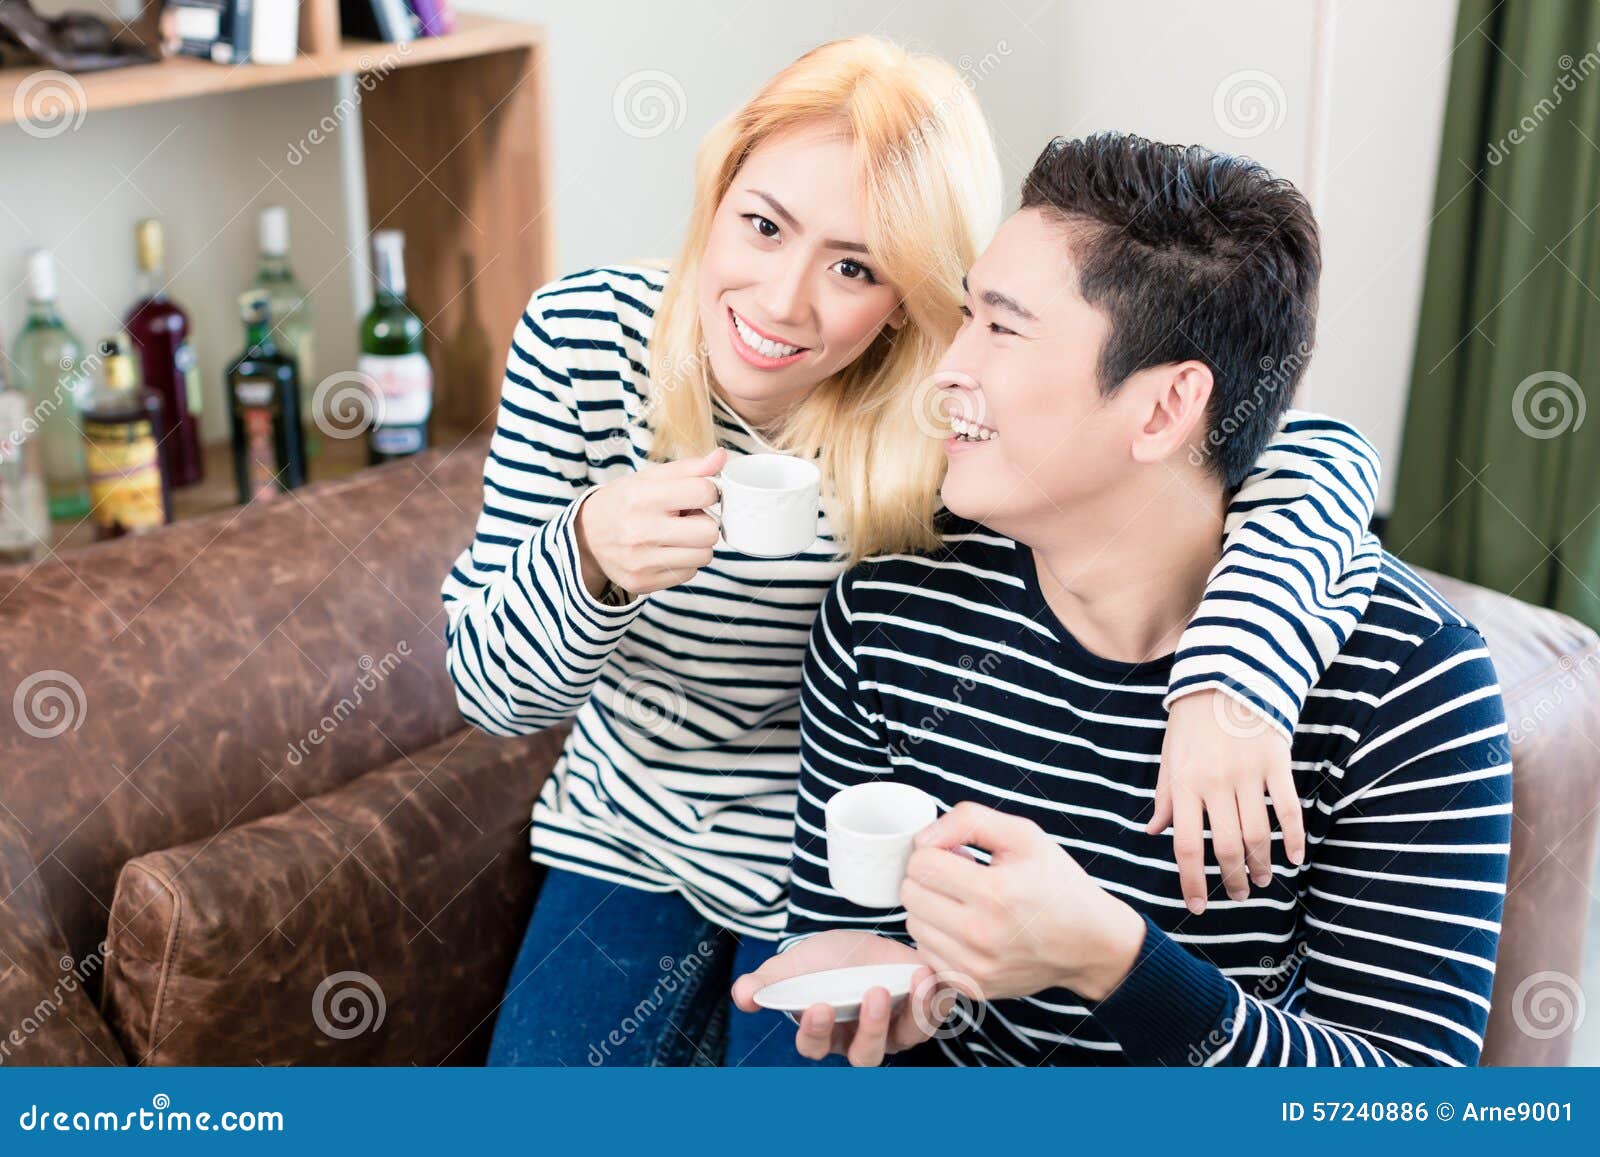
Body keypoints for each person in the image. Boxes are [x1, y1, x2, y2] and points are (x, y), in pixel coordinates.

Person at [441, 40, 1385, 1067]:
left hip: (843, 860)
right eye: (760, 225)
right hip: (626, 828)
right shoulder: (584, 341)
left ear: (904, 296)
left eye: (854, 266)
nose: (781, 301)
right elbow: (494, 698)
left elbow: (1298, 449)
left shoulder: (944, 395)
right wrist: (588, 555)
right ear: (716, 194)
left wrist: (1231, 676)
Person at [733, 131, 1512, 1068]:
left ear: (1164, 409)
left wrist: (1114, 962)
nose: (947, 368)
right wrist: (886, 995)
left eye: (1003, 327)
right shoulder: (884, 616)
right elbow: (839, 928)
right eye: (968, 313)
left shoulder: (1408, 685)